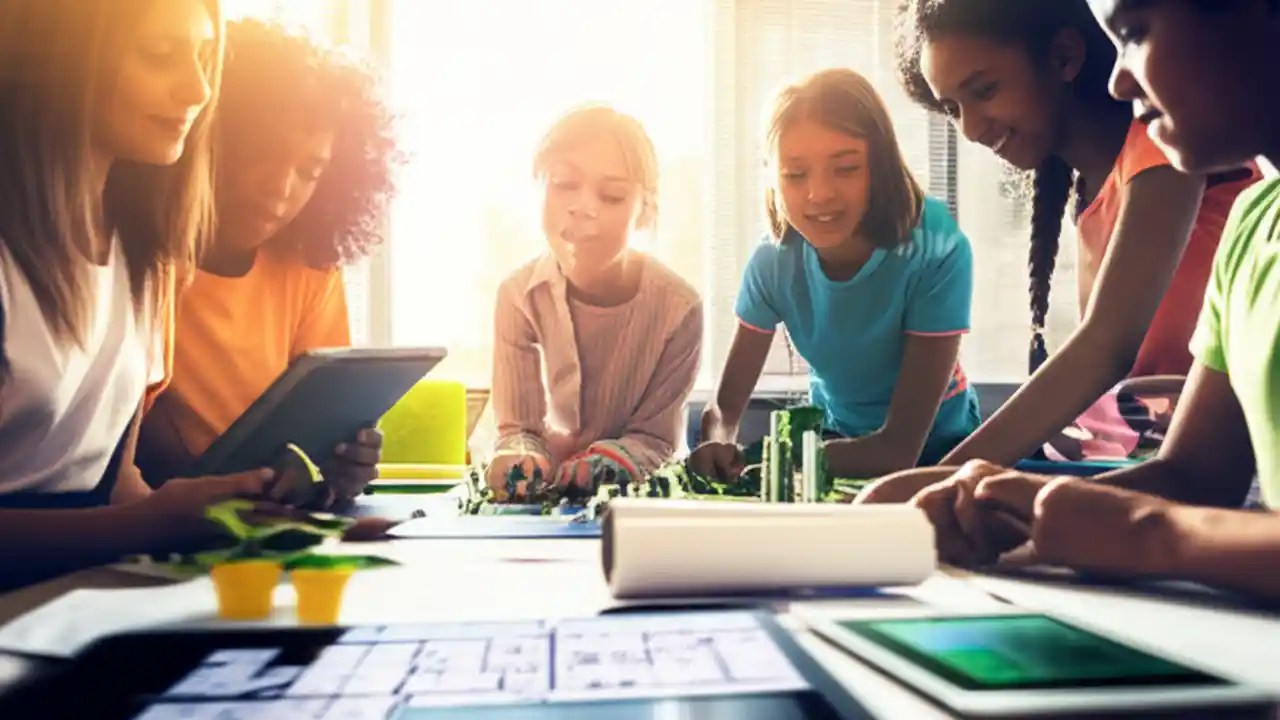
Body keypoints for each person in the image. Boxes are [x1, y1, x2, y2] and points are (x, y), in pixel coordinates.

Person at [900, 0, 1280, 600]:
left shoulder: (1163, 164)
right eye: (953, 107)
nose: (1118, 78)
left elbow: (1107, 347)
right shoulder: (1252, 225)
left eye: (1133, 34)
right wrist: (1025, 502)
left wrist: (1148, 532)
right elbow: (1196, 475)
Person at [0, 0, 275, 588]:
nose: (198, 89)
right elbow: (128, 520)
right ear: (63, 60)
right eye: (158, 55)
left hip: (73, 605)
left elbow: (116, 485)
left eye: (204, 58)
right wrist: (148, 526)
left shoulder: (143, 255)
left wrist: (261, 524)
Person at [137, 19, 402, 504]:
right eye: (264, 153)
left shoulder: (310, 268)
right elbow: (133, 442)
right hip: (163, 513)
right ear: (211, 134)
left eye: (309, 171)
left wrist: (339, 466)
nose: (281, 190)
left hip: (261, 516)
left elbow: (319, 425)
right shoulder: (144, 255)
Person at [691, 68, 980, 482]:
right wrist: (716, 442)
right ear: (771, 178)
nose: (819, 194)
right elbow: (723, 411)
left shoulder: (937, 248)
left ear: (879, 168)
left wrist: (774, 464)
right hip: (836, 441)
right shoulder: (773, 262)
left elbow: (898, 449)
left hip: (944, 452)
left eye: (845, 169)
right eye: (795, 174)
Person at [487, 105, 703, 500]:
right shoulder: (517, 297)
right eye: (564, 183)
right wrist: (517, 458)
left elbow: (654, 439)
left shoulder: (679, 309)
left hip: (636, 507)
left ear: (644, 211)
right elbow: (518, 429)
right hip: (539, 506)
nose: (583, 207)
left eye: (612, 195)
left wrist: (605, 462)